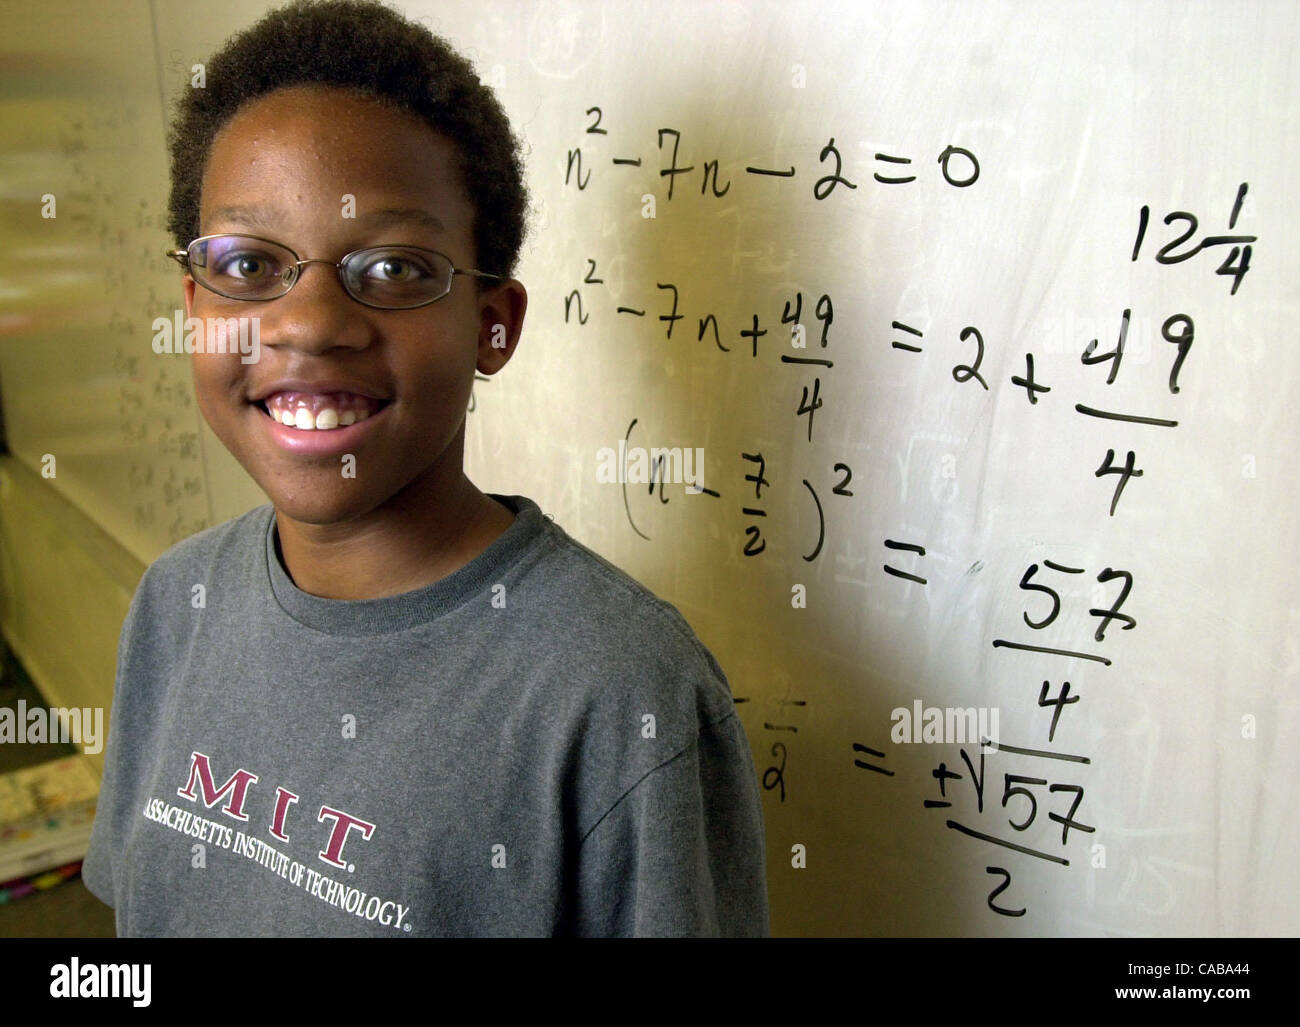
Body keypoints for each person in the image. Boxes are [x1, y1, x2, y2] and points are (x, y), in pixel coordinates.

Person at [81, 0, 769, 937]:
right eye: (247, 263)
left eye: (396, 268)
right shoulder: (174, 603)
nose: (311, 322)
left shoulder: (618, 694)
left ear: (494, 325)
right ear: (192, 304)